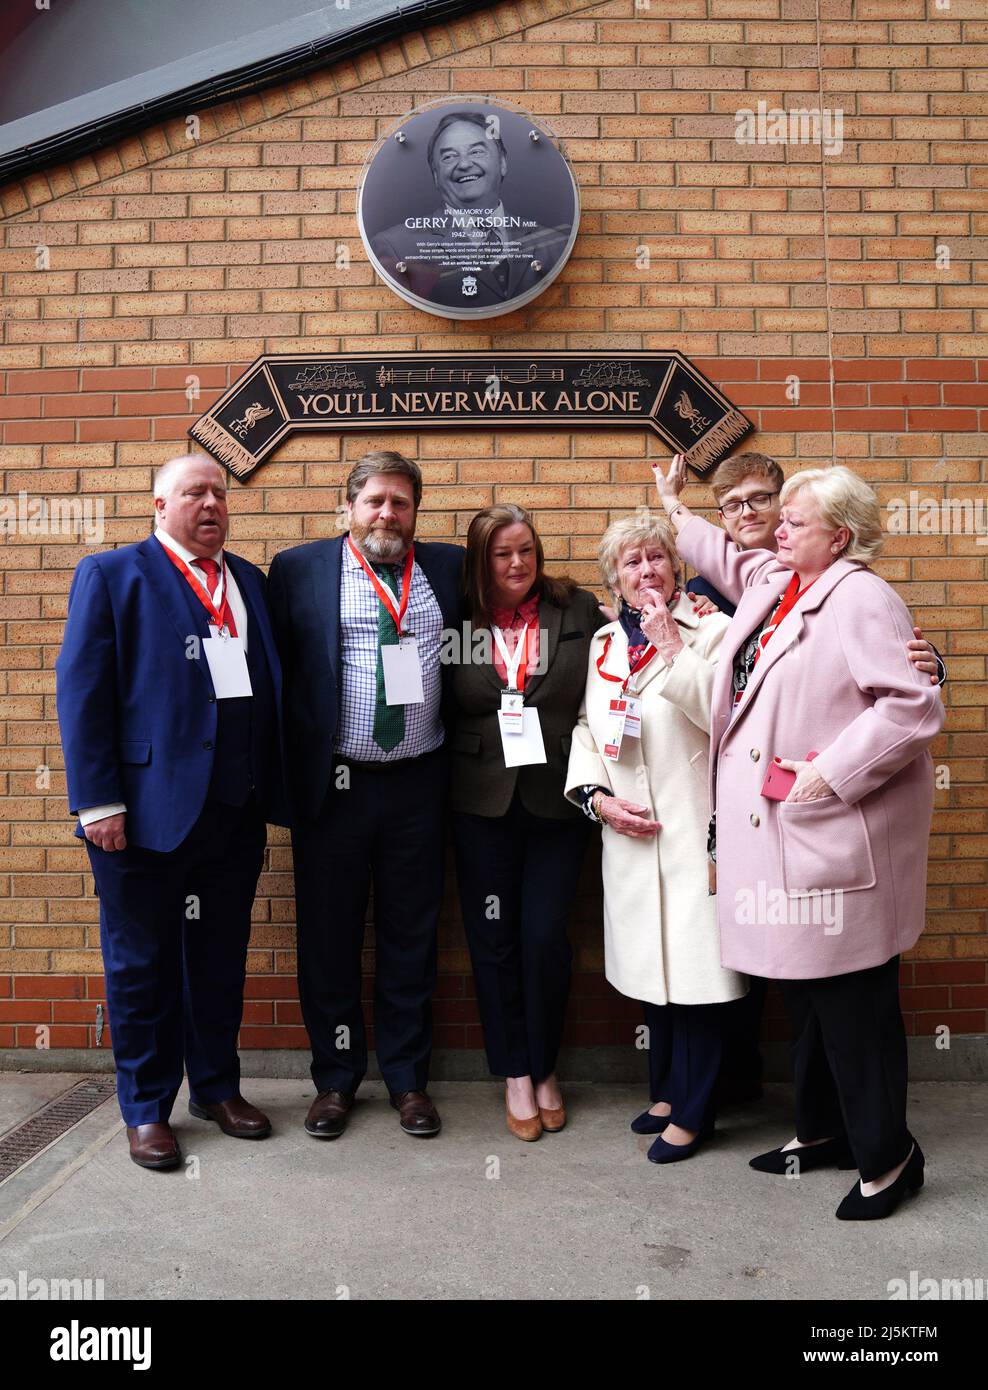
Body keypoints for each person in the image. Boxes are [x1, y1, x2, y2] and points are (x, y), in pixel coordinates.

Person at [655, 455, 945, 1218]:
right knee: (808, 1000)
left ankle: (888, 1157)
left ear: (840, 536)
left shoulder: (860, 598)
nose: (773, 529)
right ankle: (822, 1133)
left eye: (793, 520)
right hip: (781, 842)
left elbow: (911, 708)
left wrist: (832, 773)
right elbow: (726, 553)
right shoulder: (779, 583)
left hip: (832, 831)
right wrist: (672, 507)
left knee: (855, 1006)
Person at [55, 455, 284, 1170]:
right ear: (160, 504)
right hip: (141, 816)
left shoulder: (248, 581)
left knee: (218, 962)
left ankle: (216, 1087)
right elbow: (82, 694)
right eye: (194, 492)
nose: (211, 503)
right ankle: (145, 1108)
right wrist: (98, 802)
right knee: (141, 965)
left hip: (232, 813)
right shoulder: (113, 575)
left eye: (219, 492)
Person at [268, 451, 462, 1140]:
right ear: (347, 505)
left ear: (416, 513)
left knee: (412, 936)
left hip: (419, 782)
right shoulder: (299, 570)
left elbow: (510, 607)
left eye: (401, 504)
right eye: (375, 501)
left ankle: (409, 1081)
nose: (387, 514)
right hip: (336, 786)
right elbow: (275, 676)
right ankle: (337, 1080)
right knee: (330, 938)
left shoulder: (446, 568)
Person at [564, 514, 745, 1163]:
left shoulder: (715, 631)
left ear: (676, 567)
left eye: (655, 559)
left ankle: (696, 1113)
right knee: (657, 971)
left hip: (697, 831)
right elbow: (589, 726)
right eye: (631, 563)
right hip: (633, 833)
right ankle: (667, 1091)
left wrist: (673, 647)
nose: (645, 572)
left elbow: (730, 722)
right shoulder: (607, 642)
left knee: (699, 975)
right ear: (613, 577)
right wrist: (597, 798)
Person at [449, 504, 601, 1140]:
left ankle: (544, 1068)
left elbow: (619, 666)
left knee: (544, 937)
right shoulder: (459, 619)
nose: (517, 565)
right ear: (482, 561)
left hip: (555, 799)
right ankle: (513, 1072)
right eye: (502, 554)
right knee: (494, 940)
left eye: (527, 552)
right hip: (479, 801)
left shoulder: (576, 609)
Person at [370, 110, 571, 308]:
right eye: (449, 157)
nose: (464, 164)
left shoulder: (554, 245)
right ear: (435, 175)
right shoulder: (395, 248)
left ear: (502, 163)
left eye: (476, 151)